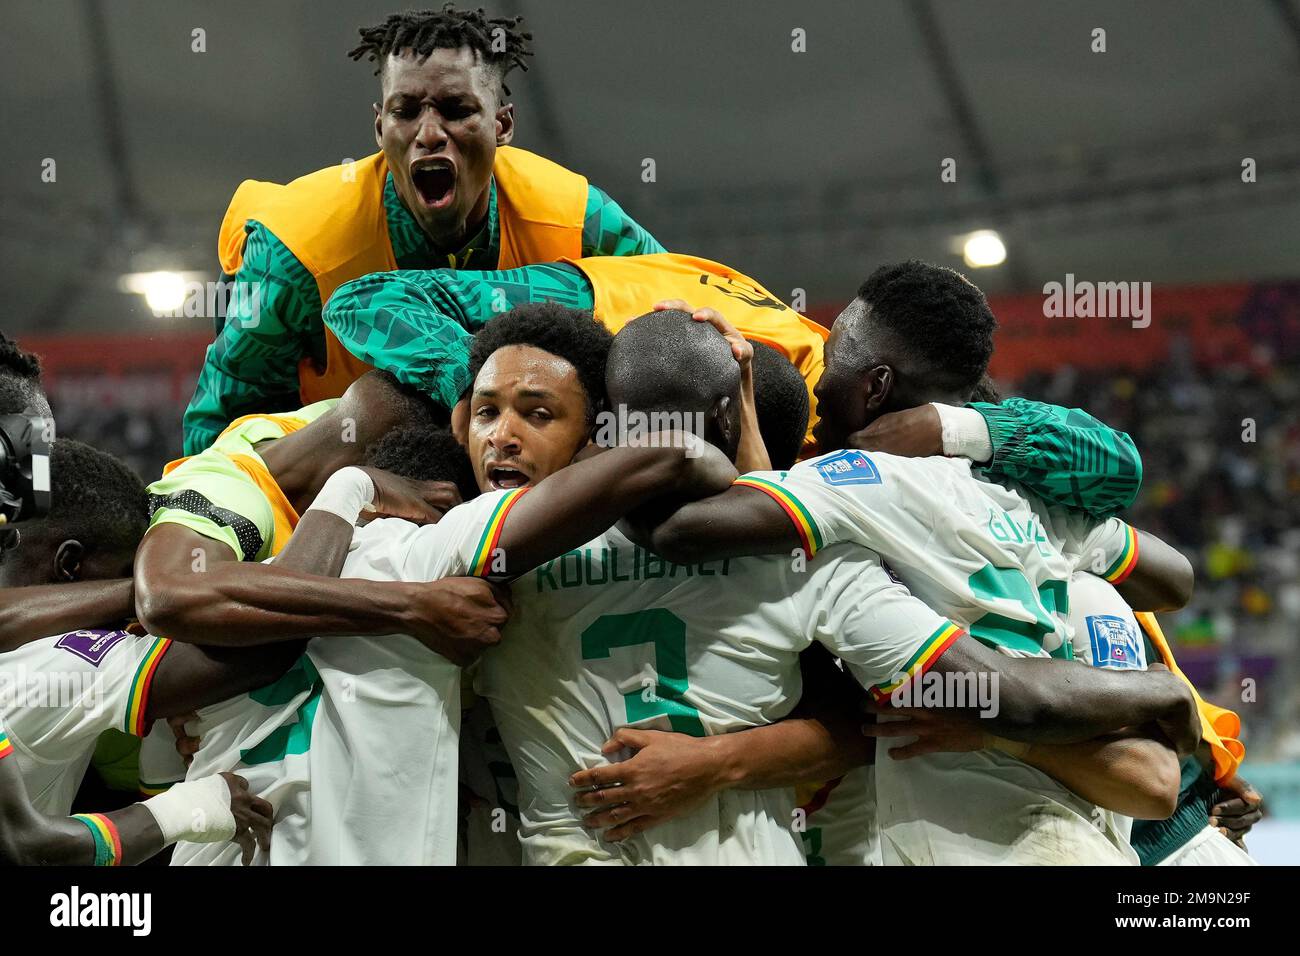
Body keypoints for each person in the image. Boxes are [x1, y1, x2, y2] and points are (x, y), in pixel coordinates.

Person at [638, 262, 1201, 863]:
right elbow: (1175, 577)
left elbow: (684, 531)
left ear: (875, 386)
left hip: (1000, 843)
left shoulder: (860, 479)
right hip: (1063, 827)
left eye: (830, 365)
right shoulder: (1026, 495)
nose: (817, 388)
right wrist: (743, 393)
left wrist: (614, 443)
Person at [183, 5, 664, 454]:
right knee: (378, 406)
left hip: (518, 476)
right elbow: (218, 443)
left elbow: (687, 296)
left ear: (501, 125)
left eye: (456, 110)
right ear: (379, 128)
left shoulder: (574, 216)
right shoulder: (297, 248)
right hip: (340, 485)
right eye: (406, 111)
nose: (429, 133)